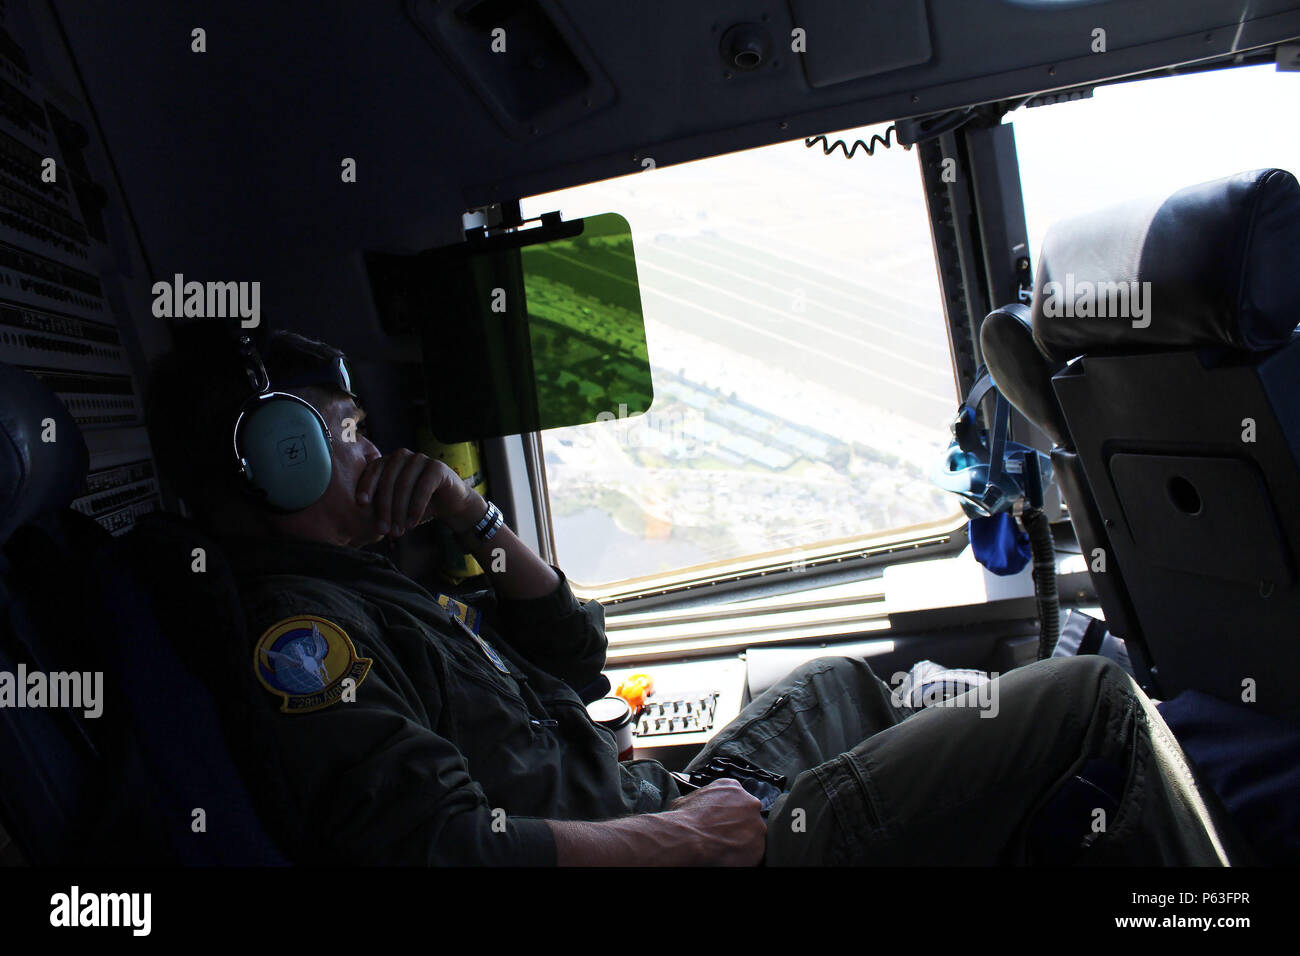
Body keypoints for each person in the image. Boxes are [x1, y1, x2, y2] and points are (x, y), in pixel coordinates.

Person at [143, 325, 1240, 866]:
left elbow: (573, 660)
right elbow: (447, 850)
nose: (374, 446)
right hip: (668, 857)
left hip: (652, 801)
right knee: (1086, 695)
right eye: (344, 434)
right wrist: (689, 838)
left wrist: (477, 522)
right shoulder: (305, 637)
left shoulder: (370, 581)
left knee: (839, 678)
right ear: (278, 460)